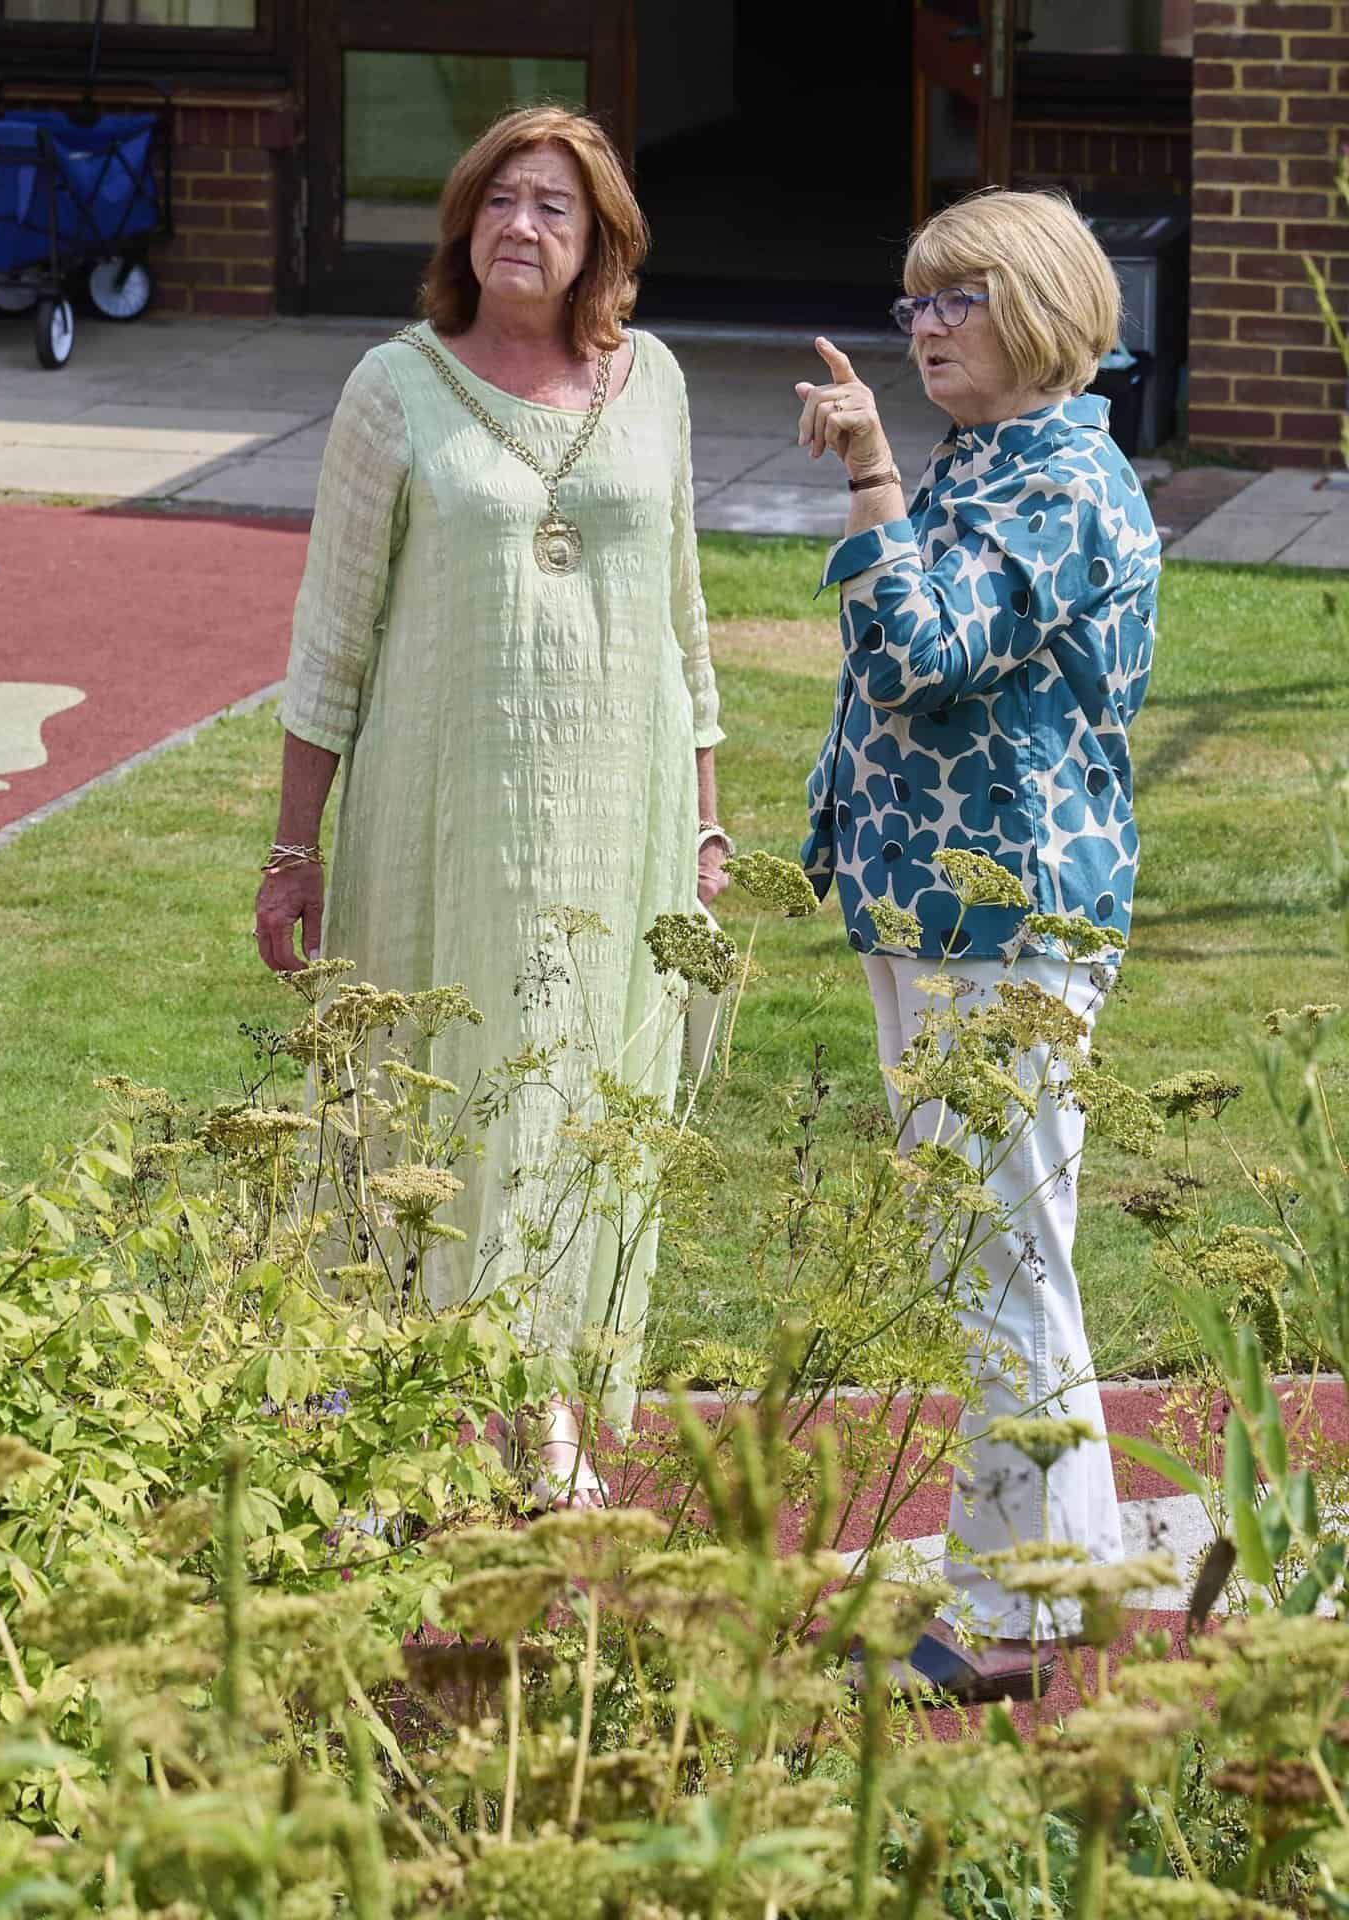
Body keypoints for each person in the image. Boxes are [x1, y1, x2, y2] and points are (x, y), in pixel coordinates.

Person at [258, 107, 728, 1507]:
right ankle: (393, 1399)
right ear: (463, 225)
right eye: (500, 202)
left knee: (583, 1088)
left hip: (617, 811)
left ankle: (550, 1410)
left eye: (556, 209)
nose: (521, 227)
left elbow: (687, 626)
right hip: (441, 814)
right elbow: (332, 635)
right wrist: (295, 848)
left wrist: (705, 823)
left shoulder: (655, 386)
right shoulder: (392, 388)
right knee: (437, 1086)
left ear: (601, 246)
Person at [795, 189, 1159, 1701]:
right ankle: (1008, 1598)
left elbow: (925, 649)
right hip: (937, 909)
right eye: (914, 305)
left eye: (958, 300)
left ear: (1043, 309)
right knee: (987, 1259)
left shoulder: (1066, 480)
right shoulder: (992, 459)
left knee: (1007, 1263)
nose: (927, 328)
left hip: (1006, 920)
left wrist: (870, 473)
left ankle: (1032, 1617)